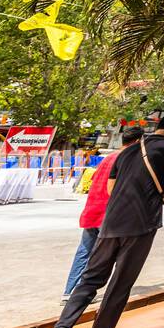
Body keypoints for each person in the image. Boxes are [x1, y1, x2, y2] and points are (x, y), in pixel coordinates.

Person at [46, 114, 164, 328]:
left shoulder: (128, 151)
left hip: (111, 222)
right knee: (120, 284)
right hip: (141, 224)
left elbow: (111, 188)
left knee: (90, 279)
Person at [60, 128, 142, 302]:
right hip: (109, 215)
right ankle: (87, 294)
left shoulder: (108, 158)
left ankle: (70, 291)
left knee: (84, 252)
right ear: (137, 142)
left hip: (92, 211)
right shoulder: (128, 159)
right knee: (107, 256)